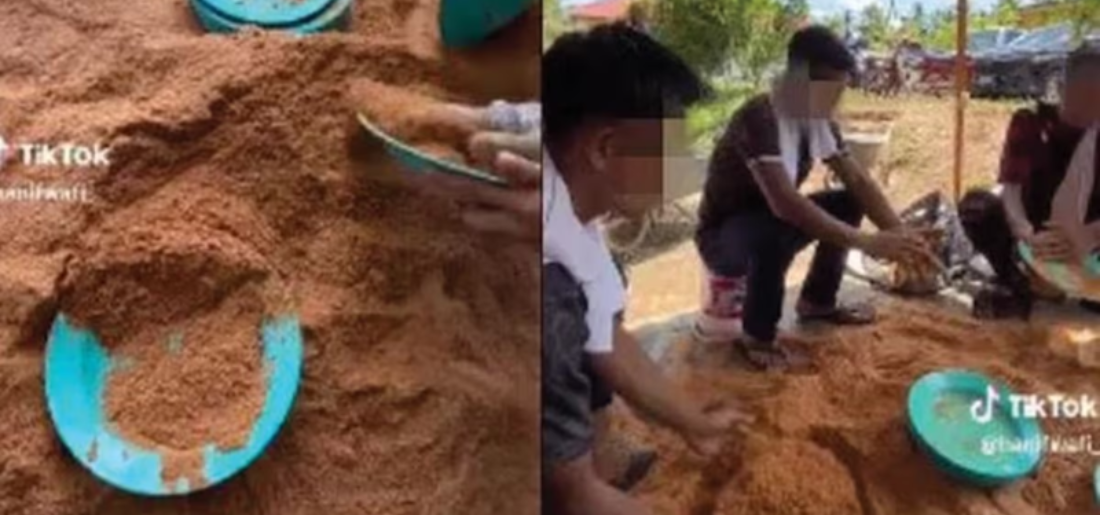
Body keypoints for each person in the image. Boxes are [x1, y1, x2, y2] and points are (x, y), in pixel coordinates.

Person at [542, 24, 751, 515]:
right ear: (605, 149)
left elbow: (607, 336)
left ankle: (592, 451)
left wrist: (691, 422)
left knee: (606, 280)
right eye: (668, 151)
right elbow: (577, 500)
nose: (678, 169)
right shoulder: (548, 289)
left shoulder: (573, 210)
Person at [695, 25, 939, 371]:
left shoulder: (817, 119)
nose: (832, 104)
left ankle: (817, 302)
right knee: (775, 228)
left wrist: (902, 238)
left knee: (847, 202)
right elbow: (785, 202)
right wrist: (868, 242)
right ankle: (757, 335)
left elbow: (857, 179)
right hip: (723, 239)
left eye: (837, 94)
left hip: (770, 223)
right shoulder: (760, 117)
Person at [959, 44, 1100, 318]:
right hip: (1034, 232)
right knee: (977, 207)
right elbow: (1011, 188)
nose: (1089, 110)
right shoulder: (1030, 123)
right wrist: (1026, 234)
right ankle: (1020, 281)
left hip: (1090, 238)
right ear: (1062, 89)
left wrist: (1085, 235)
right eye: (1083, 98)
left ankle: (1083, 290)